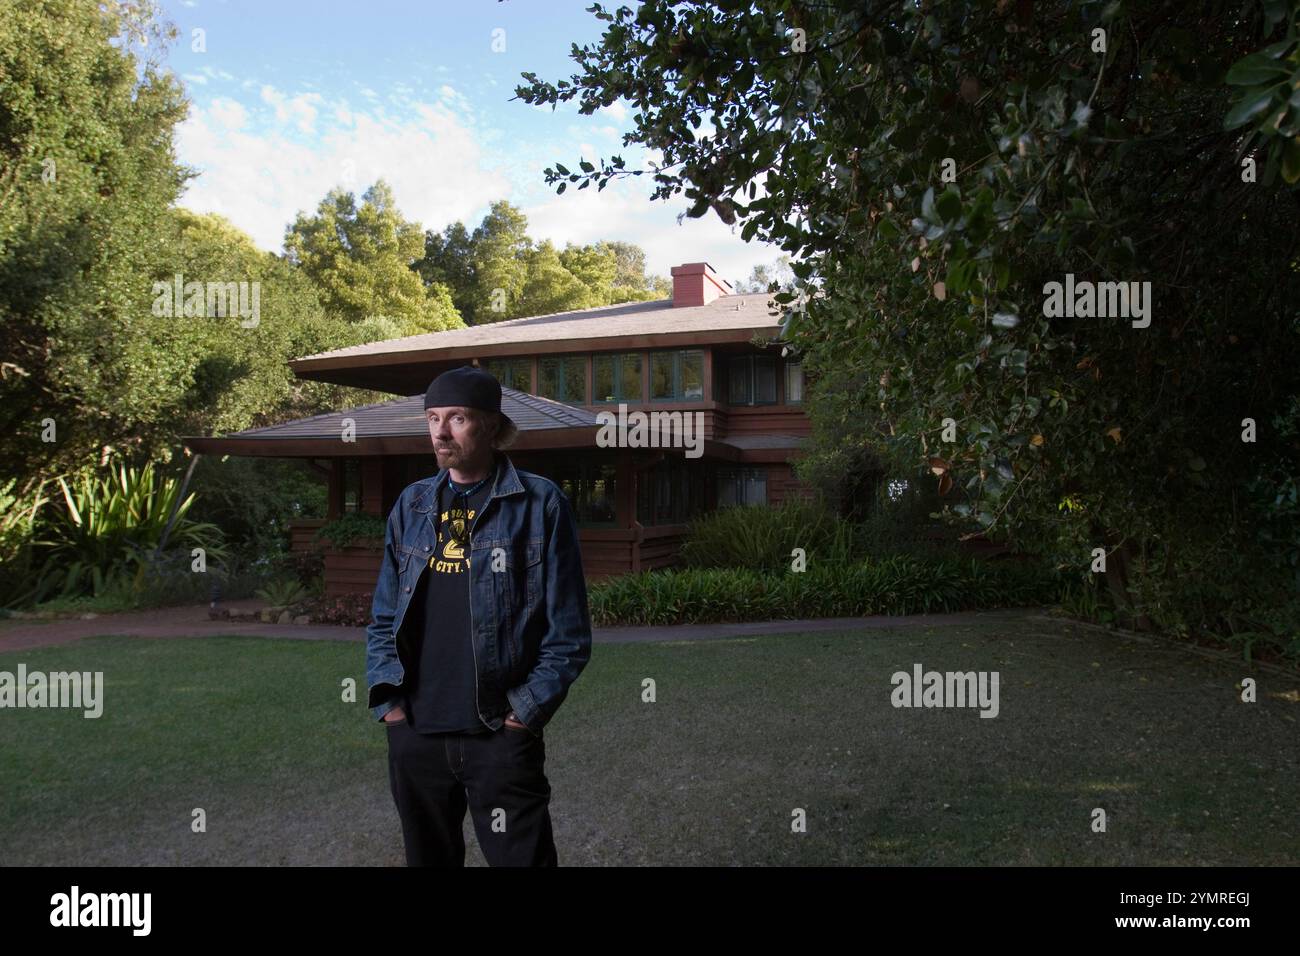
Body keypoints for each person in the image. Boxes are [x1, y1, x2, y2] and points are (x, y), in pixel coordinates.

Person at [364, 365, 592, 866]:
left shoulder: (539, 504)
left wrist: (521, 718)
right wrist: (391, 708)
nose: (441, 433)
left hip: (498, 736)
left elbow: (569, 634)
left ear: (490, 425)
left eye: (458, 418)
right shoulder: (413, 504)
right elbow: (384, 617)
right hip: (417, 735)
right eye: (433, 419)